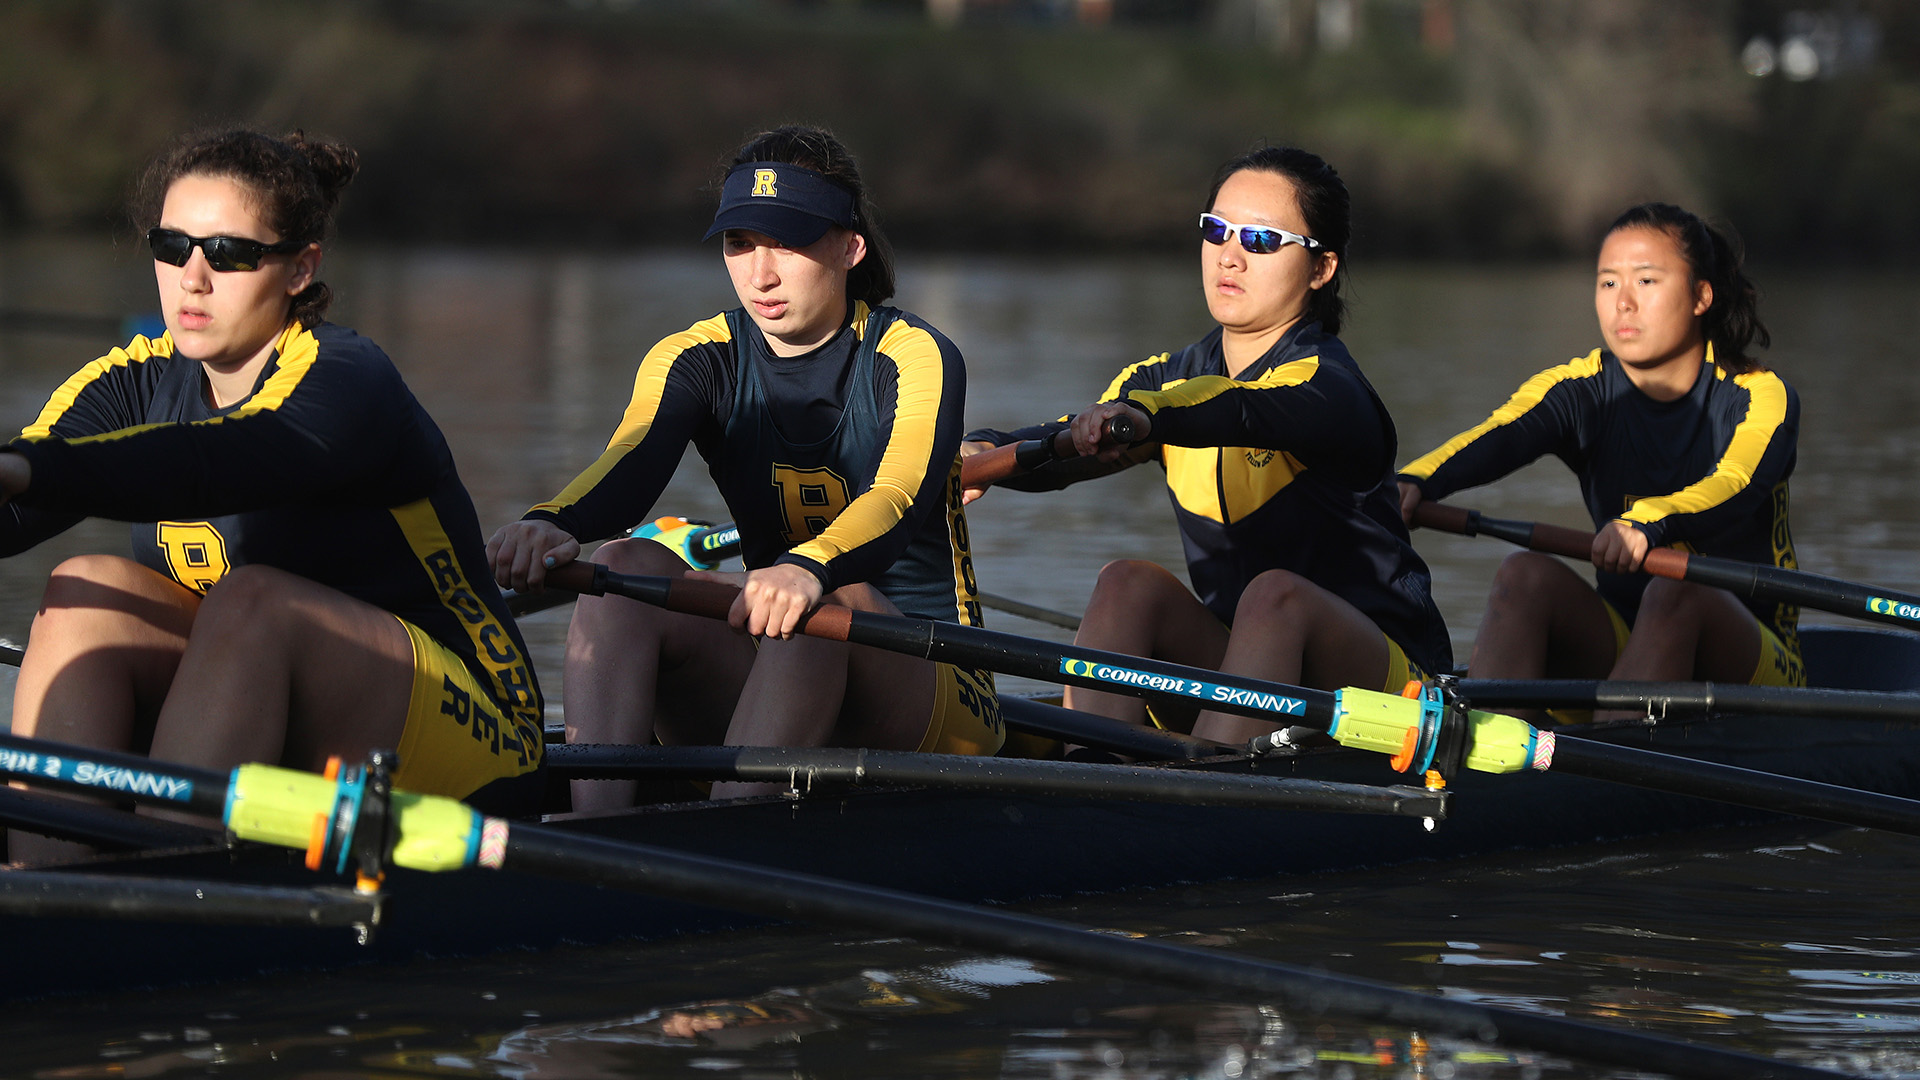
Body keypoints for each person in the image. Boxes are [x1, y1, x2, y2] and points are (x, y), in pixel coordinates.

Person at [0, 129, 544, 863]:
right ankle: (51, 884)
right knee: (82, 587)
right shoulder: (130, 381)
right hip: (265, 724)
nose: (192, 278)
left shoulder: (348, 382)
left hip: (477, 738)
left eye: (226, 254)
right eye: (172, 247)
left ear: (299, 269)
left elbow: (223, 460)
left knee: (254, 602)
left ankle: (161, 904)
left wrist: (31, 469)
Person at [488, 125, 1000, 811]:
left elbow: (901, 498)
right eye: (740, 244)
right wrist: (551, 522)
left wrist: (810, 565)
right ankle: (598, 834)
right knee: (626, 567)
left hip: (931, 685)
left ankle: (727, 839)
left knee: (816, 606)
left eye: (786, 243)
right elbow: (628, 463)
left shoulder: (914, 354)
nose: (760, 274)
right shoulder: (696, 357)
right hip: (778, 662)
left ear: (850, 248)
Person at [964, 146, 1451, 746]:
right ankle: (1091, 774)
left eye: (1262, 240)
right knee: (1126, 583)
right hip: (1251, 674)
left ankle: (1199, 797)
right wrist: (978, 451)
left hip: (1390, 697)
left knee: (1276, 596)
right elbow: (1060, 448)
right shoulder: (1160, 381)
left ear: (1322, 268)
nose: (1230, 255)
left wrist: (1147, 415)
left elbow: (1238, 407)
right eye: (1217, 230)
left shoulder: (1329, 388)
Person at [1396, 203, 1800, 722]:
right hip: (1625, 639)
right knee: (1524, 575)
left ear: (1702, 295)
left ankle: (1601, 773)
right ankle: (1486, 756)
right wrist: (1415, 481)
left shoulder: (1759, 396)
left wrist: (1647, 523)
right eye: (1608, 283)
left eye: (1647, 281)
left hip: (1754, 661)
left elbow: (1738, 481)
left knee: (1680, 593)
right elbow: (1499, 432)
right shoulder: (1580, 389)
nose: (1622, 304)